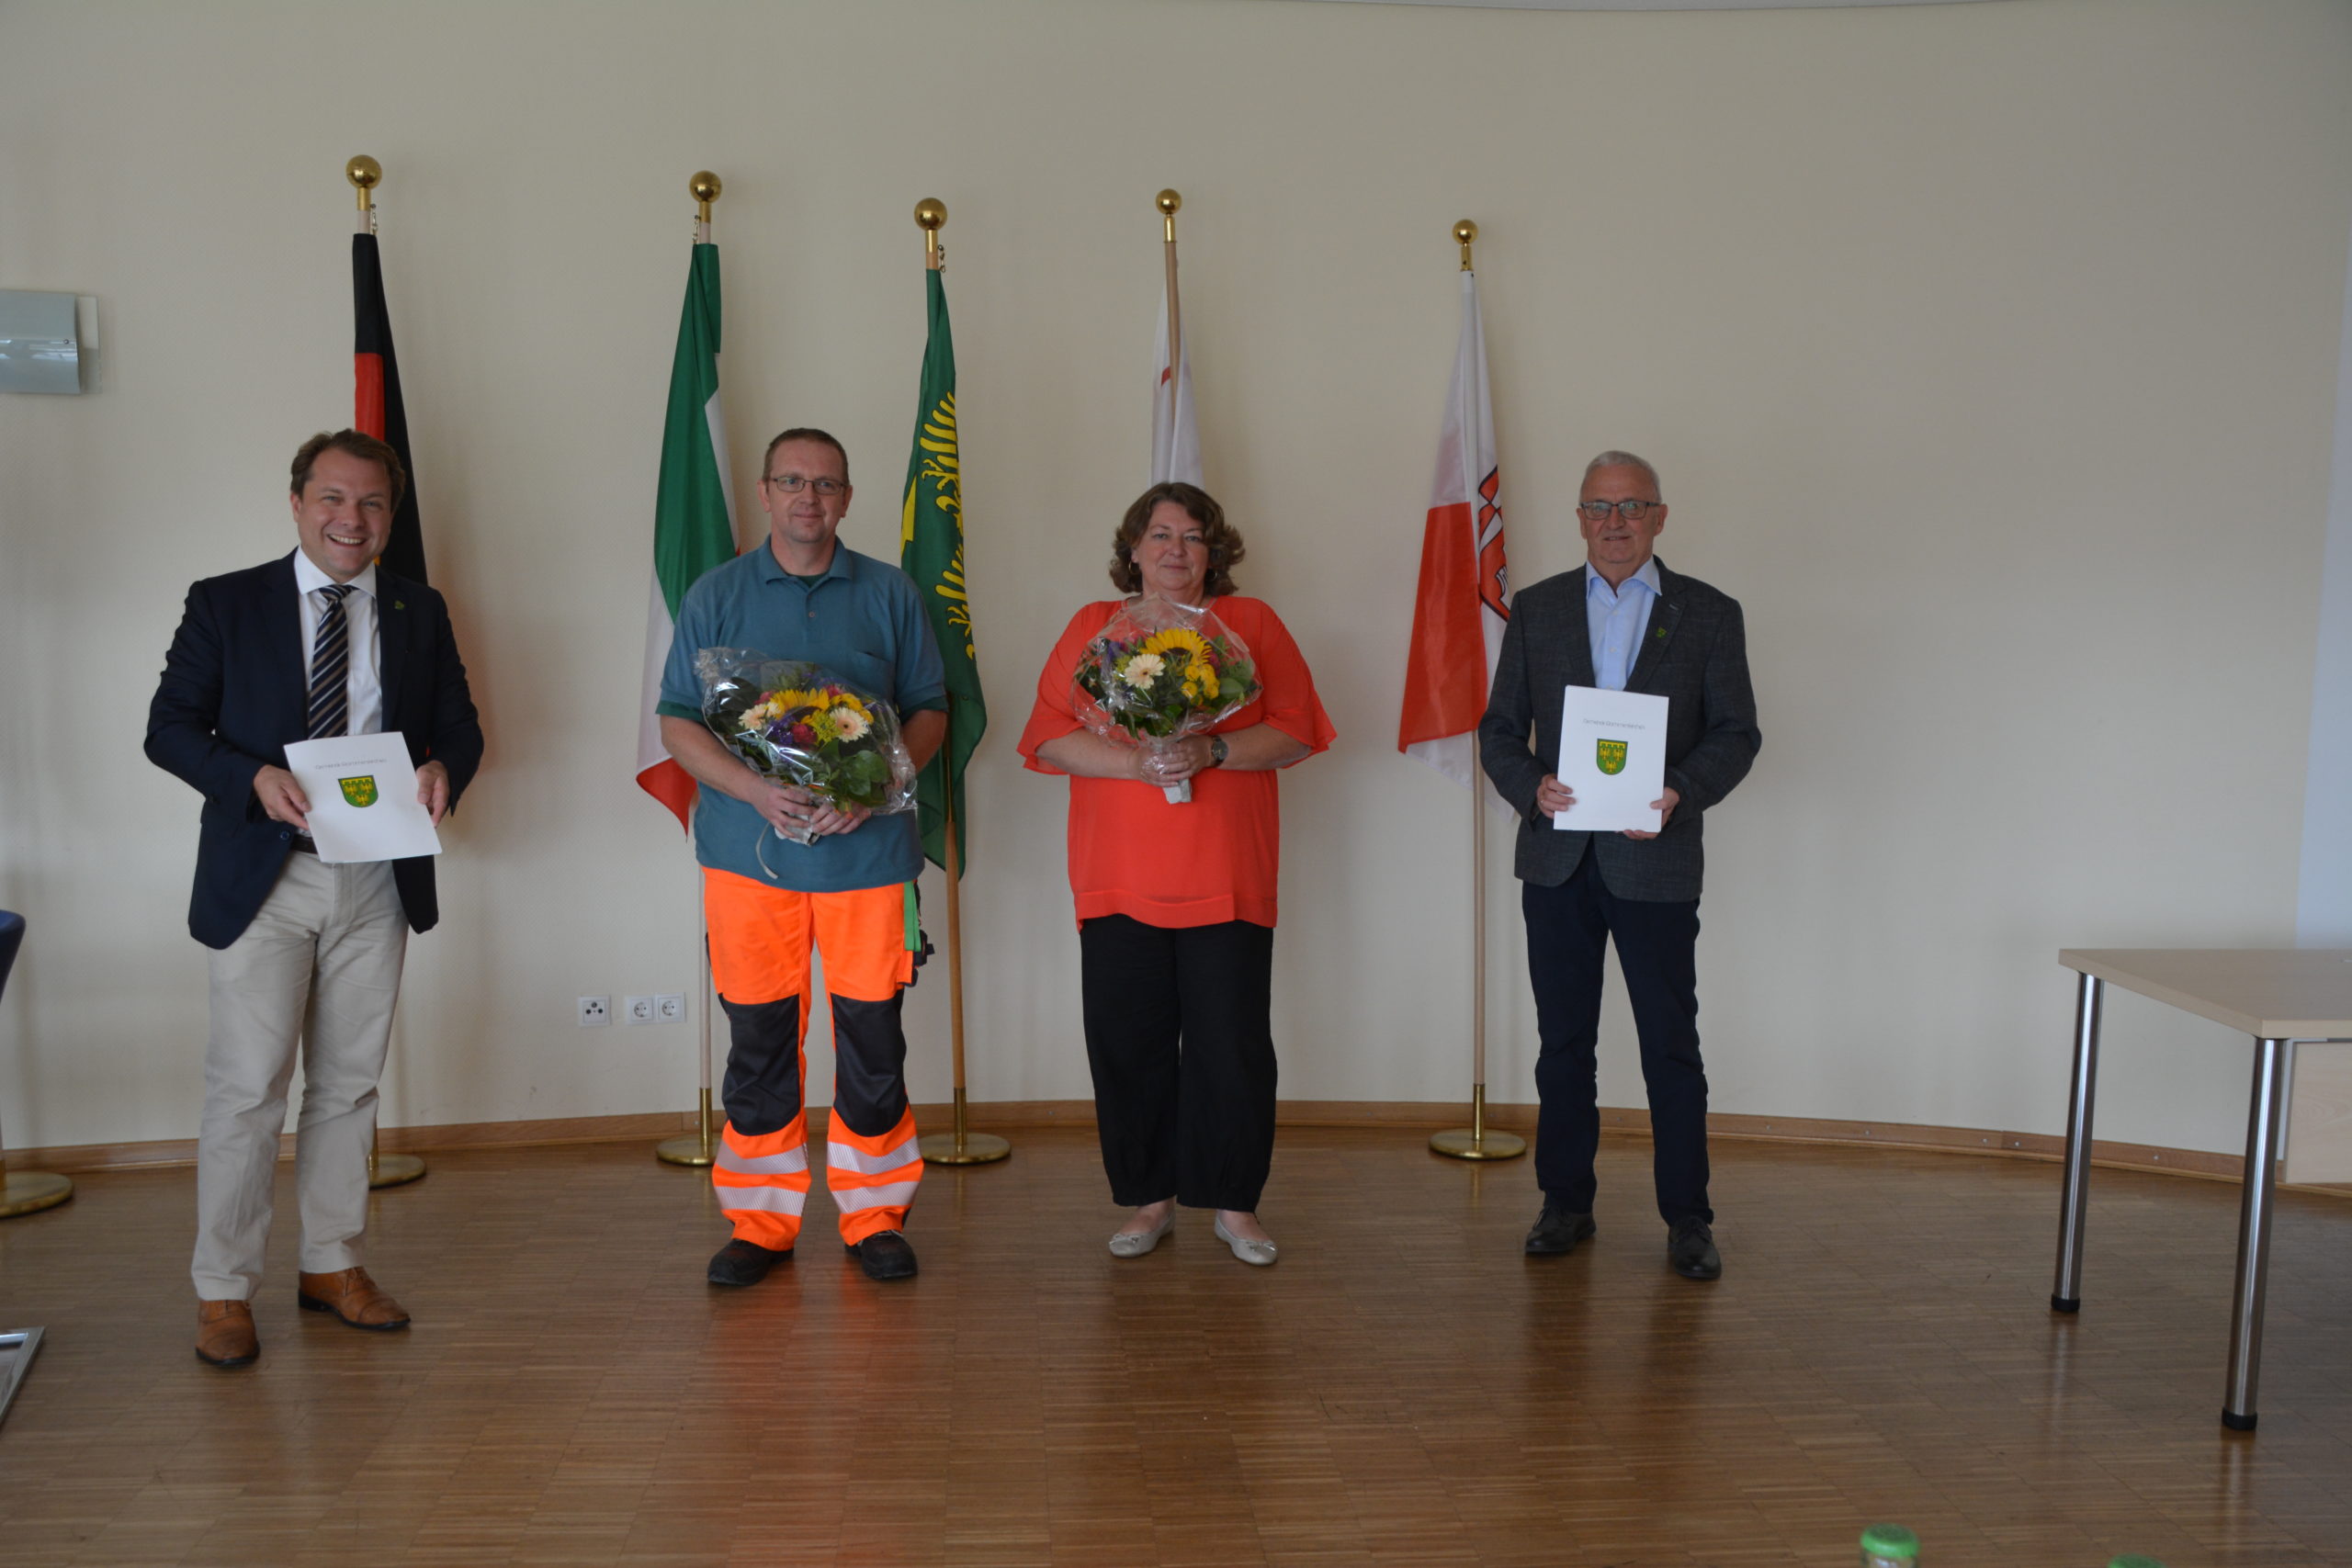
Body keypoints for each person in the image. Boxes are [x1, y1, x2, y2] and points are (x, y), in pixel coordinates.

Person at [145, 429, 483, 1368]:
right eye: (334, 499)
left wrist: (446, 766)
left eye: (372, 504)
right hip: (264, 877)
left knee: (349, 1085)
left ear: (390, 515)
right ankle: (223, 1289)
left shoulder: (420, 608)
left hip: (376, 876)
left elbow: (458, 722)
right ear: (297, 503)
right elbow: (168, 729)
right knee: (249, 1089)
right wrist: (249, 777)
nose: (353, 520)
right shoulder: (226, 604)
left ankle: (332, 1263)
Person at [656, 428, 947, 1286]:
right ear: (764, 491)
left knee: (871, 1041)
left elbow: (929, 710)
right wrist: (754, 791)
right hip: (749, 861)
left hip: (872, 862)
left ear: (848, 498)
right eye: (792, 481)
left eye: (825, 484)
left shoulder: (891, 593)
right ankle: (761, 1222)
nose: (808, 498)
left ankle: (875, 1214)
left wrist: (881, 780)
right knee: (759, 1041)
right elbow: (677, 721)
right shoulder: (716, 594)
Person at [1018, 482, 1334, 1266]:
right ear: (1133, 549)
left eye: (1193, 537)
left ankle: (1235, 1204)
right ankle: (1147, 1198)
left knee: (1232, 1045)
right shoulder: (1097, 627)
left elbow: (1296, 732)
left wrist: (1211, 748)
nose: (1175, 550)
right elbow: (1049, 737)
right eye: (1160, 534)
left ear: (1213, 552)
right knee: (1128, 1040)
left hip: (1228, 874)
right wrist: (1139, 759)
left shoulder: (1251, 624)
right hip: (1116, 876)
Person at [1478, 450, 1759, 1280]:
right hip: (1557, 862)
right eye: (1600, 508)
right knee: (1562, 1044)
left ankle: (1688, 1218)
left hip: (1656, 863)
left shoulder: (1709, 613)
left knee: (1670, 1043)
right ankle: (1565, 1202)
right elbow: (1498, 730)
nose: (1615, 523)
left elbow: (1737, 733)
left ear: (1660, 517)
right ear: (1579, 519)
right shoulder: (1537, 609)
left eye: (1632, 507)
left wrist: (1677, 790)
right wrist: (1534, 786)